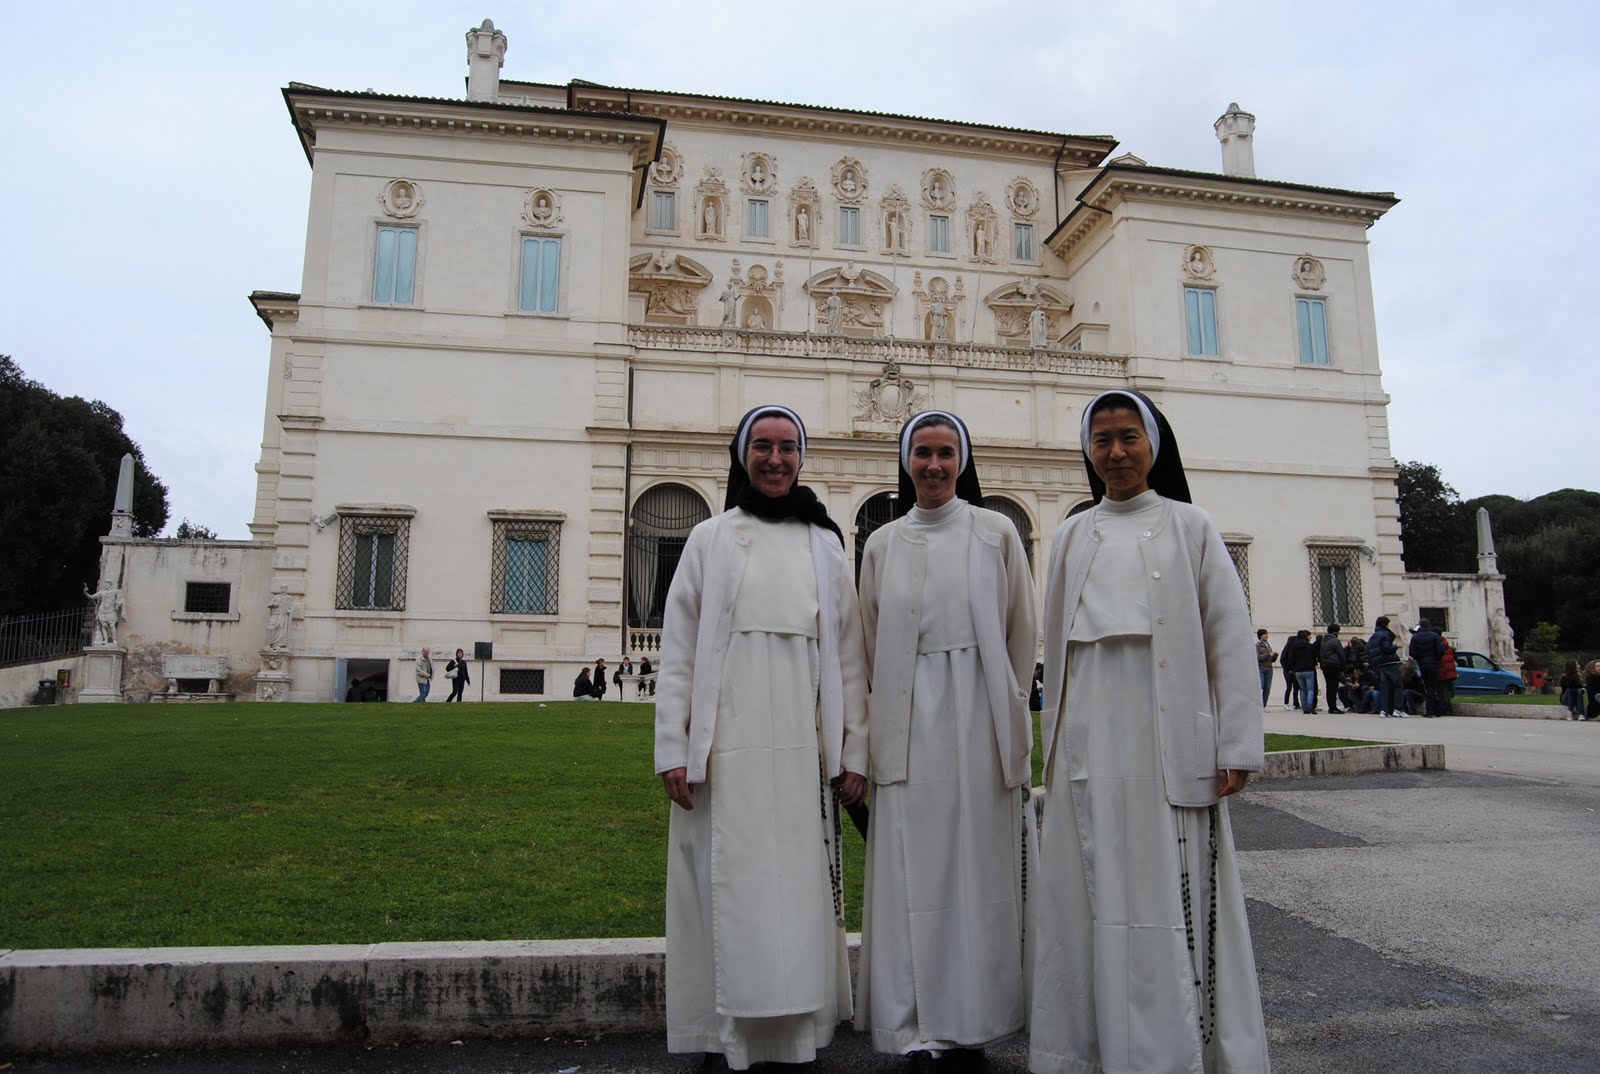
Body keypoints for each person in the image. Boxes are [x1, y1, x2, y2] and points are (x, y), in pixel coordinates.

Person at [1031, 389, 1269, 1074]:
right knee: (1090, 888)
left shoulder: (1191, 526)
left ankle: (1175, 1047)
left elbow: (1228, 639)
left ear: (1153, 446)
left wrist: (1236, 743)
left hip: (1166, 740)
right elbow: (1058, 646)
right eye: (1102, 439)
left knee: (1172, 887)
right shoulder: (1072, 535)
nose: (1115, 452)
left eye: (1128, 437)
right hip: (1088, 740)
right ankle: (1090, 1048)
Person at [654, 404, 868, 1071]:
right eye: (763, 447)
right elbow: (679, 650)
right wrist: (673, 748)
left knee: (796, 893)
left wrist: (852, 751)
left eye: (787, 448)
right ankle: (727, 1034)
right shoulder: (709, 539)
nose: (776, 460)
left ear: (802, 458)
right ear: (742, 456)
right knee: (730, 890)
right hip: (725, 749)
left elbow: (849, 658)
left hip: (802, 748)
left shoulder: (825, 544)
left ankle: (797, 1032)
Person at [855, 411, 1038, 1068]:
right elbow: (868, 644)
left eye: (945, 453)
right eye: (923, 454)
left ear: (963, 461)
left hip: (980, 719)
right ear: (907, 462)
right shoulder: (881, 545)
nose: (934, 466)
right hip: (909, 721)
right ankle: (915, 1027)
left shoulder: (996, 533)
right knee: (913, 872)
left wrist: (1006, 712)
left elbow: (1022, 634)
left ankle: (974, 1023)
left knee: (979, 871)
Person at [1369, 616, 1404, 718]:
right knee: (1398, 685)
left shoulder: (1373, 637)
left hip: (1379, 664)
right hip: (1390, 662)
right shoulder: (1385, 634)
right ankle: (1398, 709)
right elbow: (1387, 648)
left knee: (1384, 687)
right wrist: (1396, 646)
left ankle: (1384, 710)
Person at [1409, 619, 1445, 716]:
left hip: (1422, 663)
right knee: (1432, 687)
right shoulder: (1434, 636)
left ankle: (1434, 710)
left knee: (1427, 687)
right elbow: (1441, 650)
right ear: (1429, 625)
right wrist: (1437, 659)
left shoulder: (1415, 637)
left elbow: (1412, 652)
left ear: (1420, 625)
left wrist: (1419, 658)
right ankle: (1433, 710)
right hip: (1433, 663)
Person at [1284, 628, 1318, 713]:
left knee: (1302, 689)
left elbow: (1291, 658)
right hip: (1309, 669)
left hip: (1298, 671)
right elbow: (1314, 656)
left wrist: (1294, 667)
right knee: (1310, 689)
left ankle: (1304, 707)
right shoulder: (1309, 646)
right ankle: (1310, 705)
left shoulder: (1293, 646)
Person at [1320, 624, 1347, 714]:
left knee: (1329, 686)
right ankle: (1333, 707)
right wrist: (1343, 666)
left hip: (1325, 665)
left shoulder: (1324, 640)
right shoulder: (1335, 641)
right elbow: (1341, 654)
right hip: (1334, 665)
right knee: (1333, 687)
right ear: (1335, 631)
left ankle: (1331, 706)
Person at [1436, 636, 1458, 717]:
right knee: (1447, 691)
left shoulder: (1438, 647)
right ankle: (1449, 709)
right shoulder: (1449, 648)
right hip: (1449, 672)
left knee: (1441, 692)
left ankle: (1444, 709)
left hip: (1442, 672)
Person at [1256, 629, 1277, 708]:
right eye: (1265, 634)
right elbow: (1257, 657)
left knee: (1267, 689)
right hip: (1261, 668)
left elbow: (1271, 659)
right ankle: (1258, 705)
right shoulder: (1257, 645)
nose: (1267, 636)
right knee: (1261, 686)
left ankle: (1263, 705)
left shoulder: (1267, 645)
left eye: (1267, 634)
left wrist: (1274, 656)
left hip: (1269, 669)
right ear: (1260, 636)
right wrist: (1268, 655)